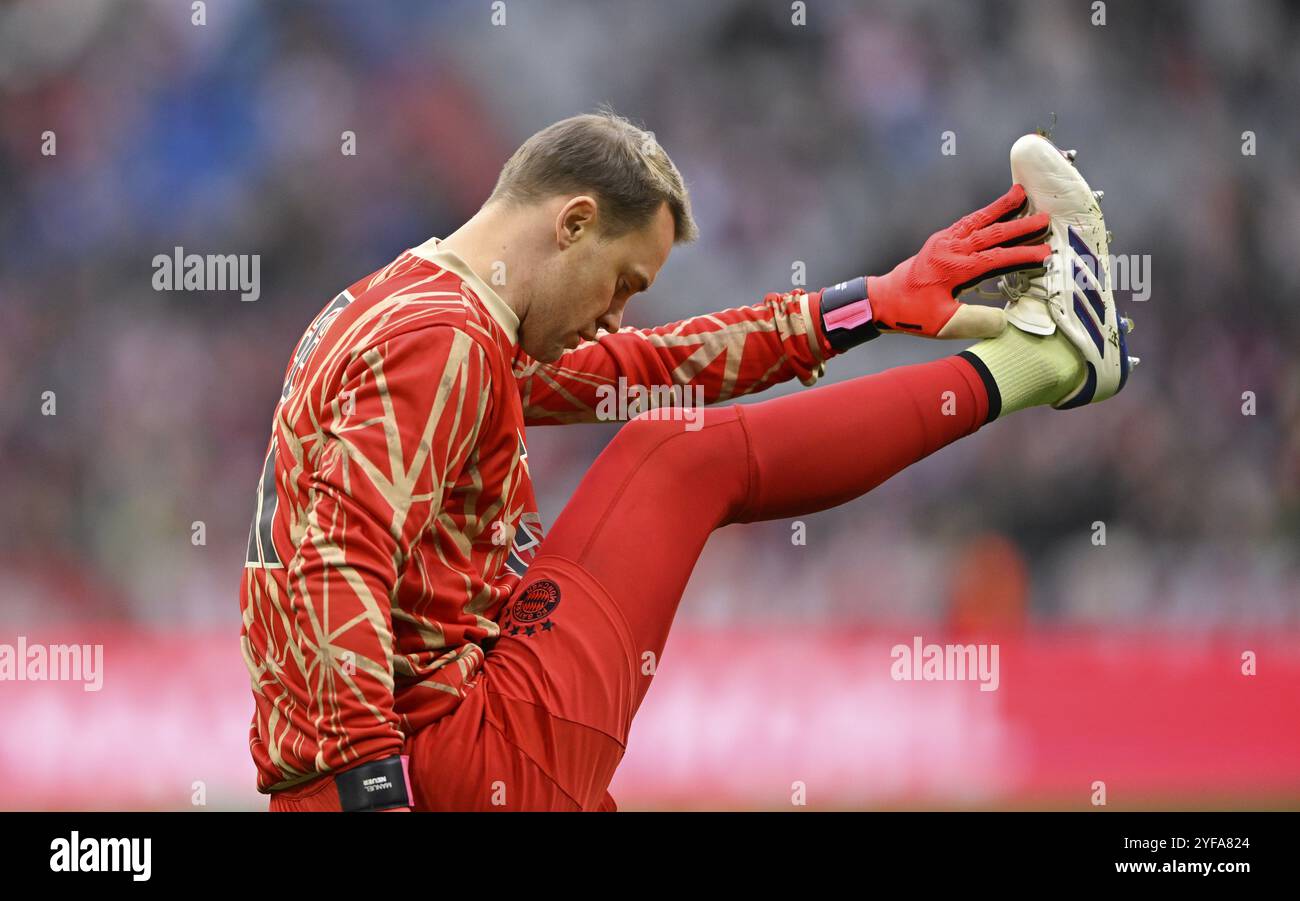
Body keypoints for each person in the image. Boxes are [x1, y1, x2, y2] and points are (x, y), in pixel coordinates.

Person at [241, 112, 1133, 811]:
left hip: (402, 762)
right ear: (573, 223)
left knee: (664, 433)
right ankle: (1045, 360)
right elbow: (339, 559)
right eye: (624, 281)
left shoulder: (401, 307)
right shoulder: (448, 342)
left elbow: (641, 371)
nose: (617, 314)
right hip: (443, 760)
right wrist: (373, 793)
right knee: (674, 459)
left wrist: (871, 306)